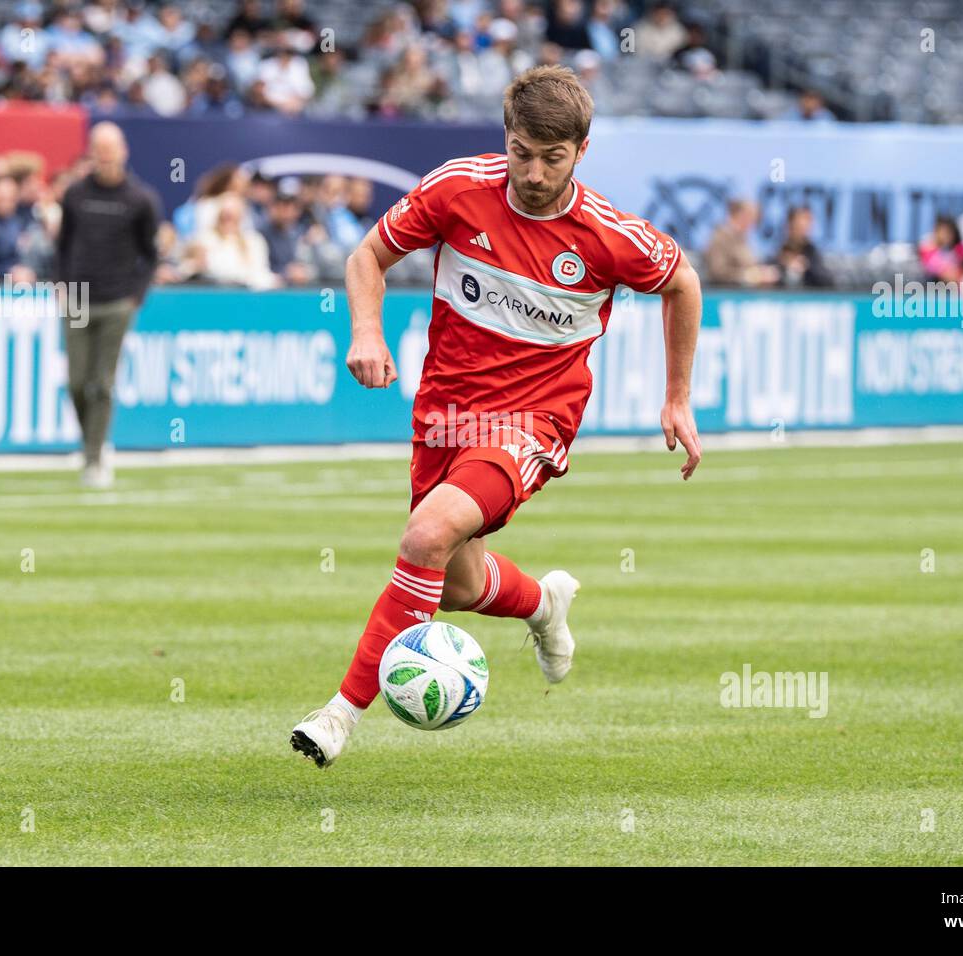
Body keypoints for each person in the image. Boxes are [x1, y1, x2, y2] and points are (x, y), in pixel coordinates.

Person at [290, 65, 703, 768]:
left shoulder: (607, 235)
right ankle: (544, 604)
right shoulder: (458, 189)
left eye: (553, 157)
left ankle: (339, 716)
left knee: (426, 533)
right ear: (504, 139)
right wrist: (366, 331)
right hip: (445, 417)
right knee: (454, 582)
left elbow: (682, 281)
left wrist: (677, 395)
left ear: (582, 151)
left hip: (533, 422)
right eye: (521, 152)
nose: (534, 172)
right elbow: (369, 256)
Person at [56, 122, 161, 489]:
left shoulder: (140, 199)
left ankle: (94, 457)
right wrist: (62, 284)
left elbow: (151, 254)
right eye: (98, 149)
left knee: (101, 383)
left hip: (118, 300)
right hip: (80, 297)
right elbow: (64, 245)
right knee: (75, 382)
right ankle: (95, 443)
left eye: (110, 148)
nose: (104, 156)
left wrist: (136, 295)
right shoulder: (74, 195)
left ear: (123, 151)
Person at [703, 199, 778, 287]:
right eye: (752, 218)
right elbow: (717, 271)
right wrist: (748, 276)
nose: (754, 223)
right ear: (742, 215)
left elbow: (749, 266)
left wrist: (761, 272)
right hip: (726, 293)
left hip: (745, 293)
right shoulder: (720, 238)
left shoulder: (742, 238)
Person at [775, 205, 832, 288]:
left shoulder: (812, 252)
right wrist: (784, 267)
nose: (804, 227)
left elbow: (826, 281)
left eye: (808, 222)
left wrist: (806, 267)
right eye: (799, 223)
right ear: (790, 224)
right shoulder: (779, 250)